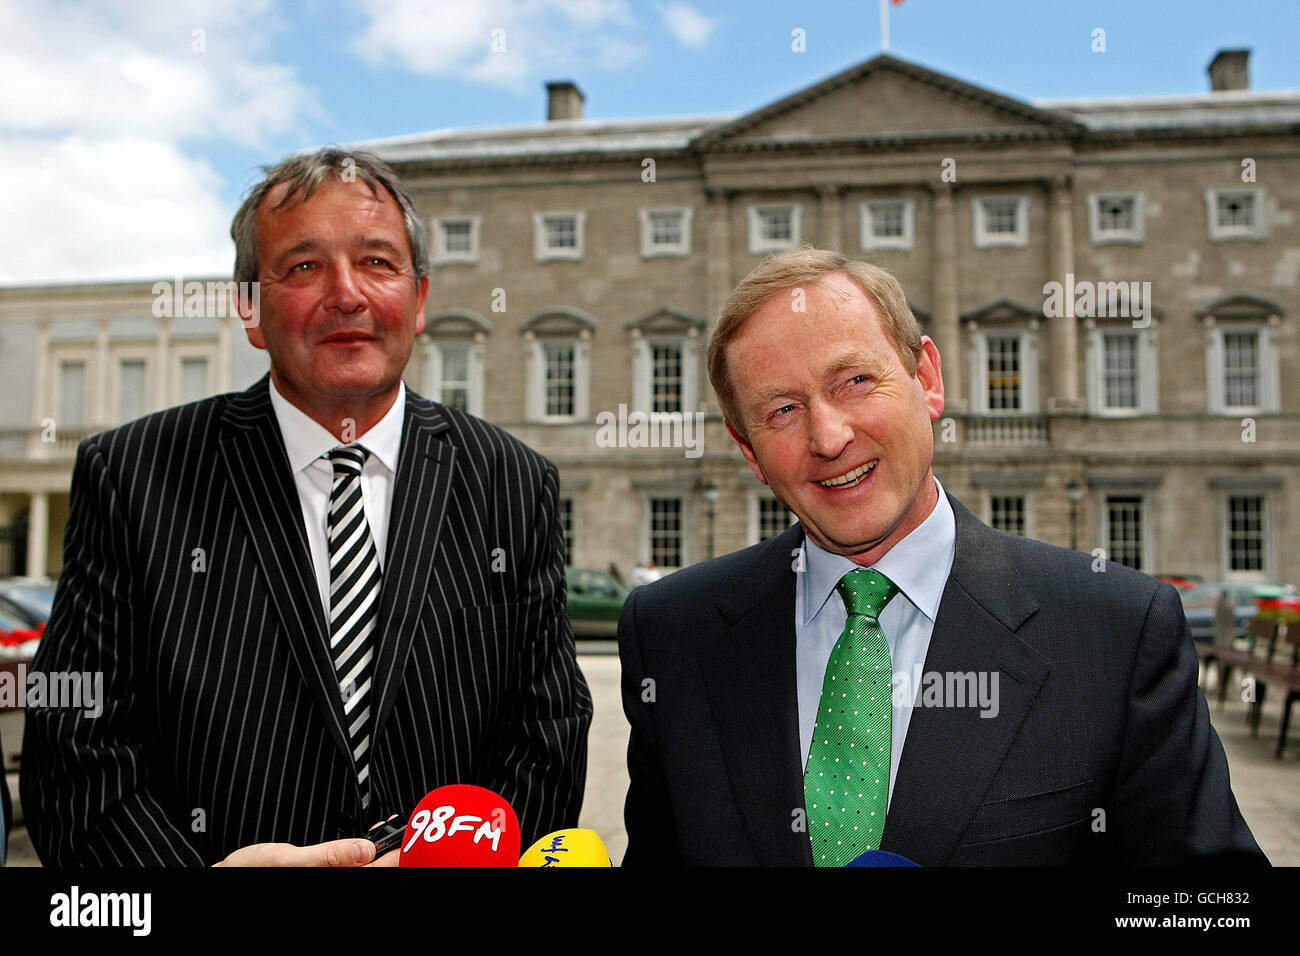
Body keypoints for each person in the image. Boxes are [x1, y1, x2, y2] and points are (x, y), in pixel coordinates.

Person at [22, 148, 592, 866]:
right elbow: (75, 744)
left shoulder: (513, 481)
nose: (346, 294)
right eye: (302, 267)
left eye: (378, 263)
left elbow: (549, 732)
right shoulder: (133, 475)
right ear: (252, 312)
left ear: (418, 302)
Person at [618, 248, 1266, 866]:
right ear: (748, 449)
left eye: (855, 382)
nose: (829, 437)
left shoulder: (1118, 631)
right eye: (782, 410)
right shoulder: (669, 631)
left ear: (926, 380)